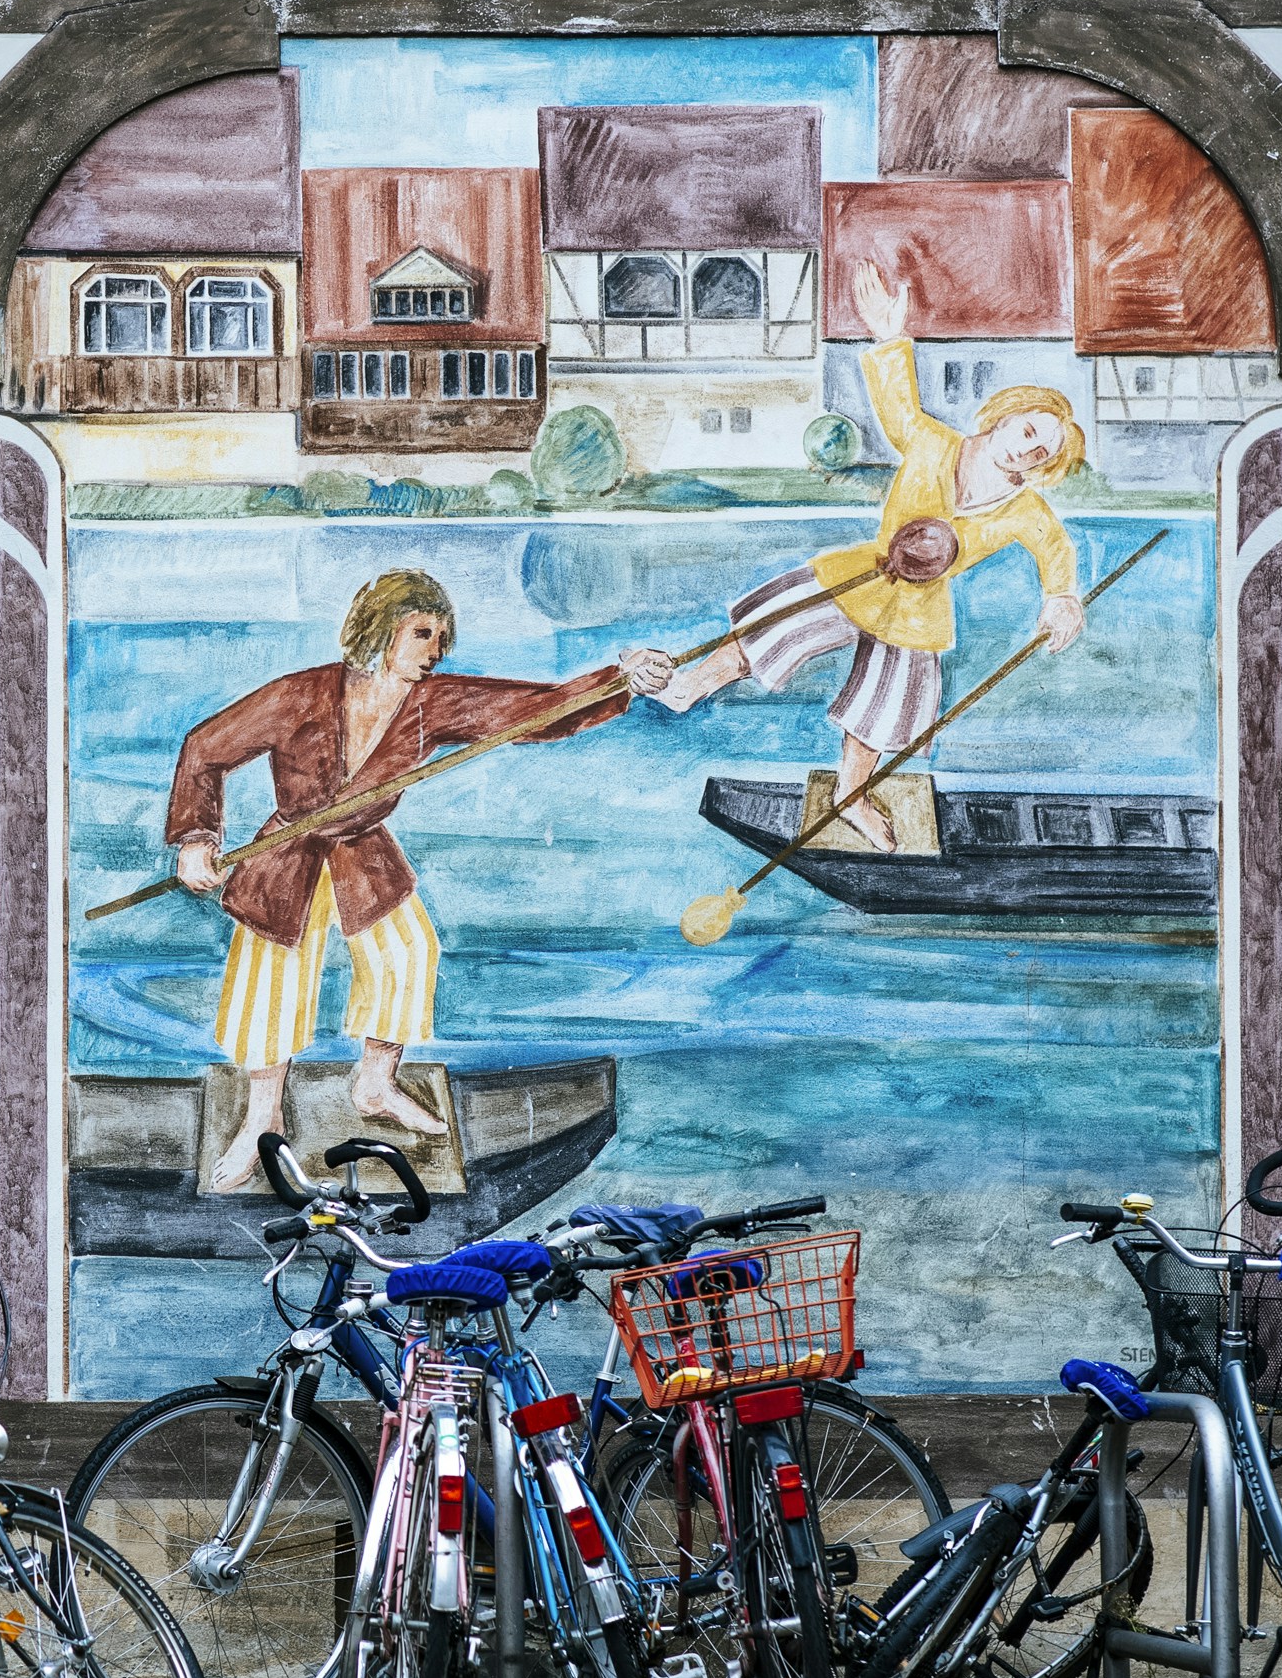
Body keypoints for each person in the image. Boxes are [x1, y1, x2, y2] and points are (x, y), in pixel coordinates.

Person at [166, 569, 672, 1194]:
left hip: (363, 853)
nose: (436, 651)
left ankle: (375, 1084)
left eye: (442, 637)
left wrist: (620, 678)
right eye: (422, 633)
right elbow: (206, 746)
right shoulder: (301, 693)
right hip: (286, 854)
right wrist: (196, 839)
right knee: (270, 979)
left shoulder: (430, 703)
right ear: (381, 629)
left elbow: (536, 710)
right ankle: (262, 1116)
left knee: (407, 953)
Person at [658, 260, 1087, 849]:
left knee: (883, 707)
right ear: (1007, 415)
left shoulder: (1023, 507)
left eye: (1042, 453)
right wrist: (889, 337)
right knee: (774, 627)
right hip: (865, 573)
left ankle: (851, 795)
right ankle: (692, 686)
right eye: (1030, 432)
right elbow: (899, 409)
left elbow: (1054, 545)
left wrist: (1061, 596)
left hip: (919, 612)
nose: (1028, 451)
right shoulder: (932, 443)